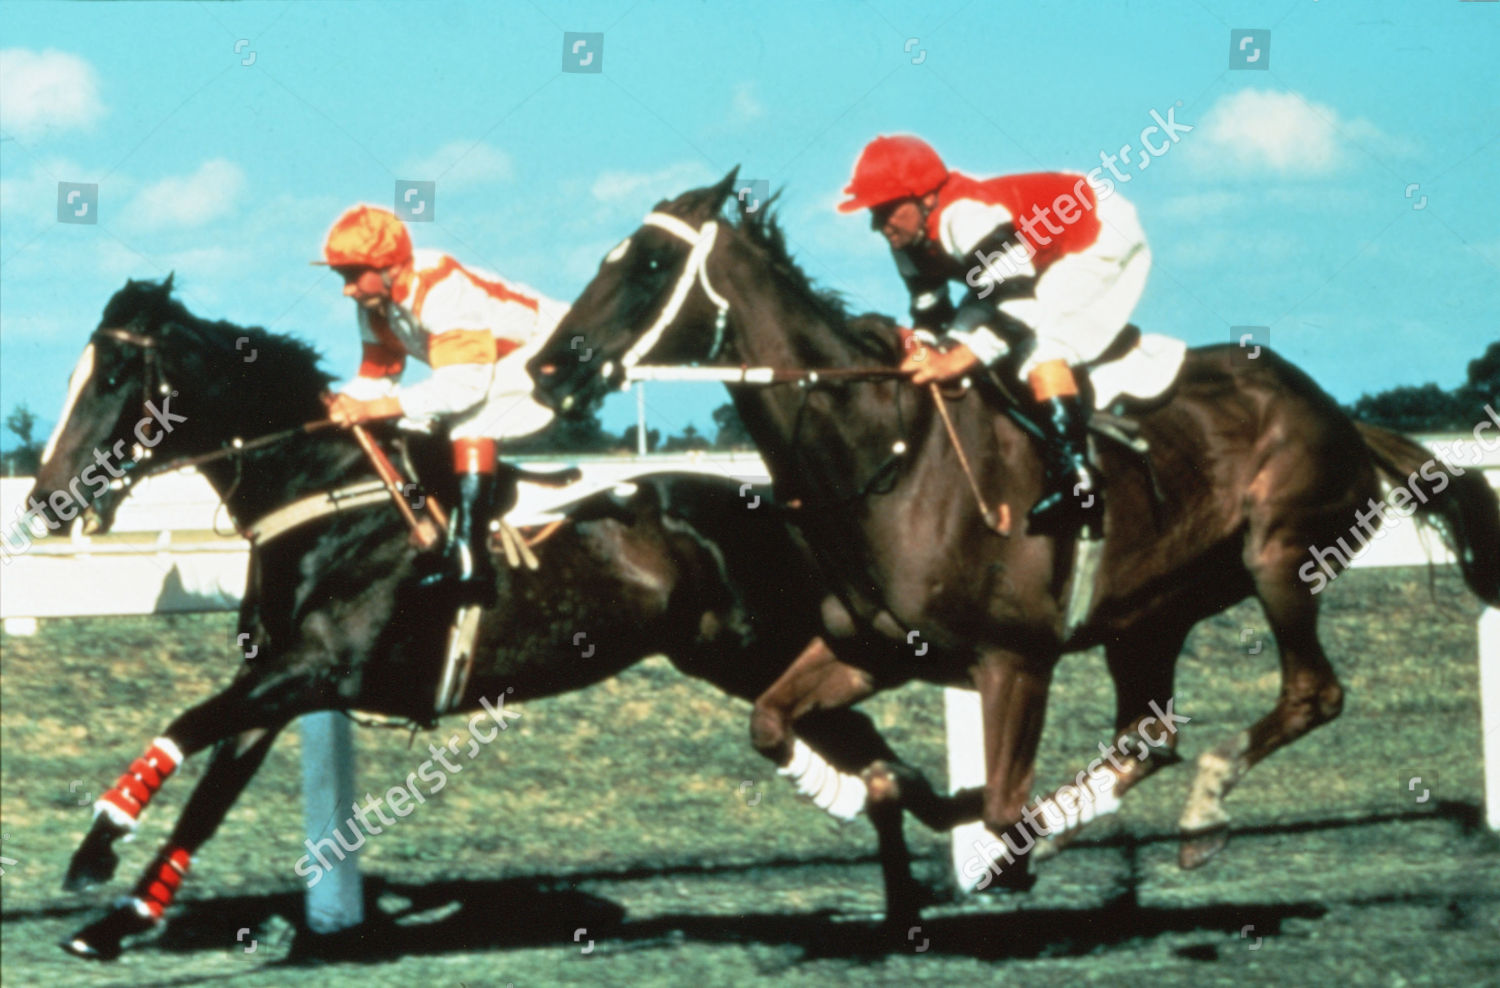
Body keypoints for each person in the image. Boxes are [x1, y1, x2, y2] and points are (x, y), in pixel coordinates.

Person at [838, 135, 1153, 538]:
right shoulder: (906, 240)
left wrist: (955, 360)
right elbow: (931, 314)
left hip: (1096, 235)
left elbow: (1018, 309)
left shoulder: (965, 218)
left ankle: (1080, 484)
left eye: (886, 210)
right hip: (1027, 260)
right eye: (873, 211)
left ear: (925, 198)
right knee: (958, 344)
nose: (877, 225)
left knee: (1040, 350)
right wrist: (927, 348)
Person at [316, 204, 566, 600]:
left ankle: (471, 563)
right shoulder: (374, 305)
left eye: (352, 276)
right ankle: (446, 526)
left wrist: (372, 409)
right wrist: (342, 402)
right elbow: (377, 378)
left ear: (389, 267)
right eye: (341, 277)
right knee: (415, 423)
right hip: (488, 363)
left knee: (471, 420)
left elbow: (463, 388)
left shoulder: (441, 290)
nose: (347, 289)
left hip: (552, 349)